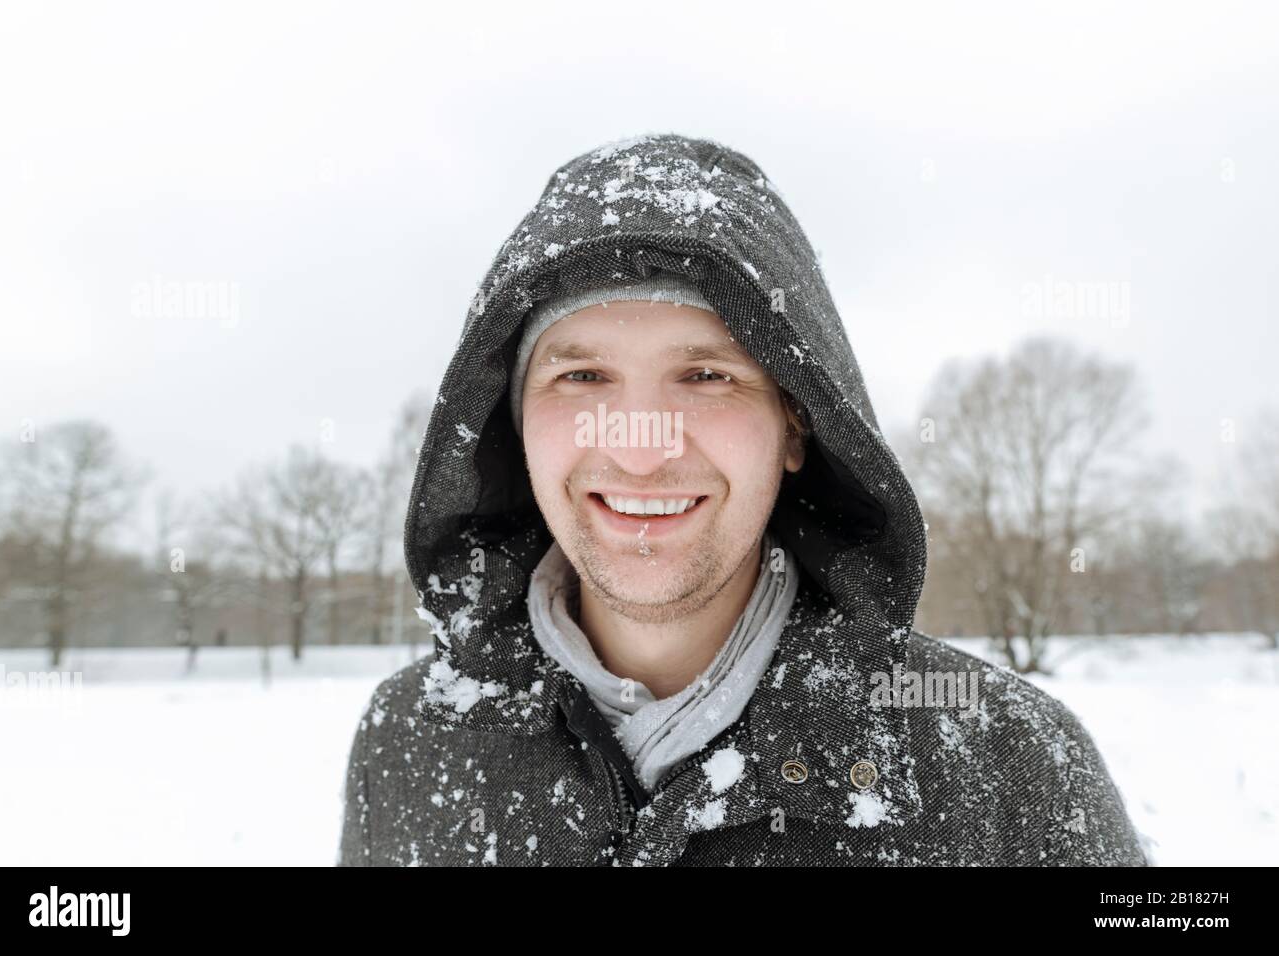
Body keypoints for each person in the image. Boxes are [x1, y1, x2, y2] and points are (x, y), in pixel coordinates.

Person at [338, 132, 1148, 866]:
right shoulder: (408, 739)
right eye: (581, 376)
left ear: (796, 426)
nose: (638, 447)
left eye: (706, 376)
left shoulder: (1014, 767)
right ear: (515, 428)